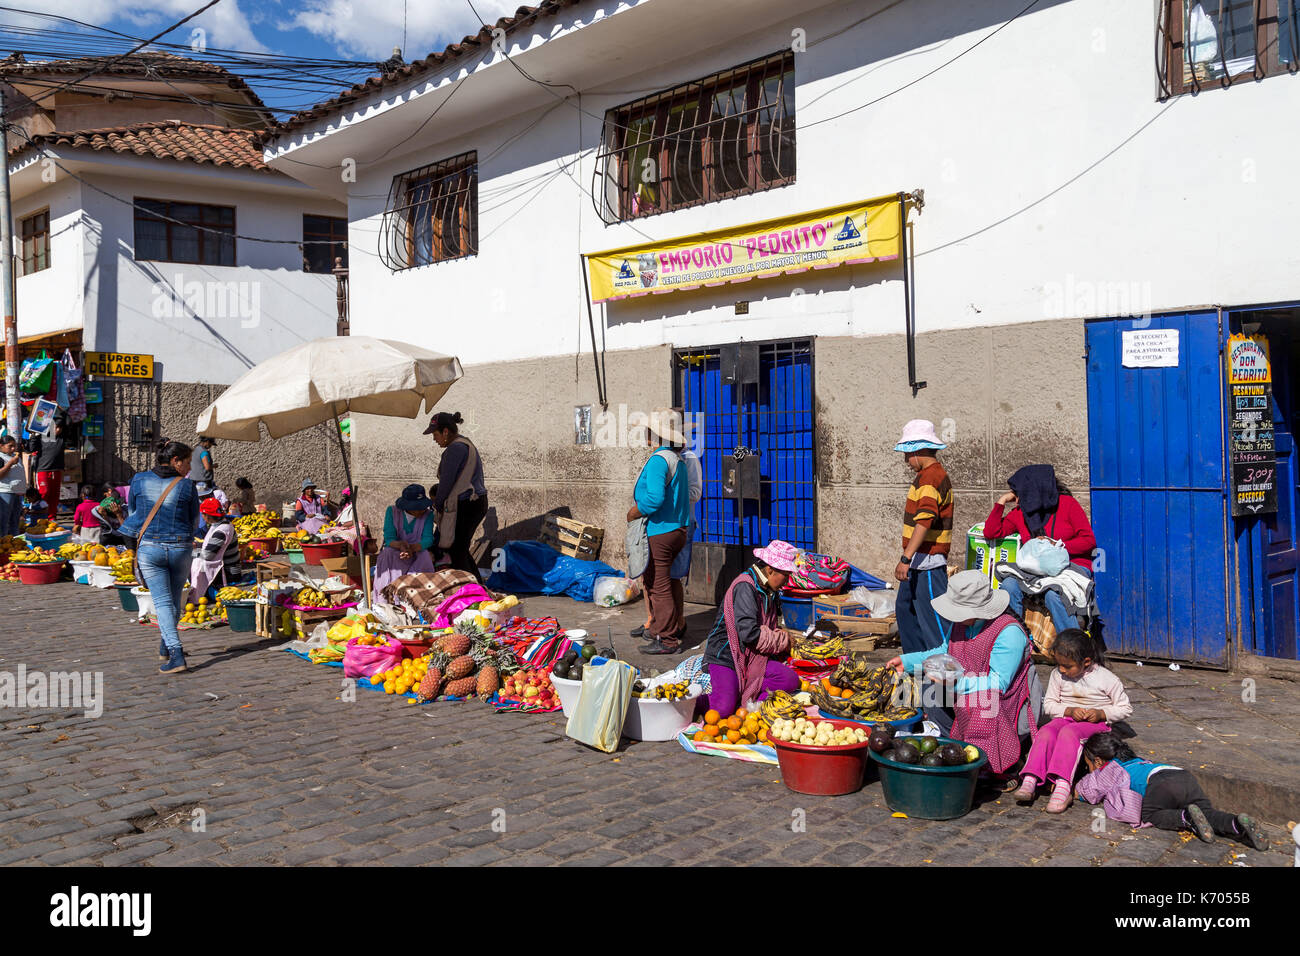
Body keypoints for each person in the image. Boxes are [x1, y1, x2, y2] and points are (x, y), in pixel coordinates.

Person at [888, 570, 1037, 776]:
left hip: (1001, 703)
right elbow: (942, 652)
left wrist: (955, 683)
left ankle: (996, 765)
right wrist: (907, 662)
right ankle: (953, 743)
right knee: (928, 687)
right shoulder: (963, 624)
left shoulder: (1009, 632)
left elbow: (998, 683)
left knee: (981, 700)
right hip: (964, 691)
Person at [1078, 732, 1268, 850]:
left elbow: (1086, 790)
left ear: (1098, 761)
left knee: (1151, 815)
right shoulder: (1139, 761)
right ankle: (1237, 824)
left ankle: (1185, 818)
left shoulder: (1109, 770)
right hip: (1182, 775)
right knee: (1206, 813)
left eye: (1089, 765)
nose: (1091, 770)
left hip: (1159, 784)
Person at [1013, 629, 1131, 812]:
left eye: (1067, 666)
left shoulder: (1107, 679)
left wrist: (1101, 714)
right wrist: (1068, 710)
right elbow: (1049, 705)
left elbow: (1125, 708)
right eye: (1059, 664)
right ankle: (1030, 778)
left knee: (1069, 734)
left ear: (1086, 662)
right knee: (1046, 732)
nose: (1062, 670)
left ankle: (1063, 786)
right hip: (1066, 718)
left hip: (1095, 725)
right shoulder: (1057, 676)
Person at [984, 464, 1097, 632]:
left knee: (1054, 594)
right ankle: (1018, 638)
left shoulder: (1067, 504)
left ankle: (1075, 650)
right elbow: (991, 531)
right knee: (1009, 585)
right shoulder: (1020, 513)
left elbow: (1089, 541)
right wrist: (1001, 501)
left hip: (1070, 566)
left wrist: (1058, 546)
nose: (1018, 496)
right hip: (1036, 570)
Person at [119, 439, 200, 675]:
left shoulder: (139, 479)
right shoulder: (187, 486)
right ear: (175, 461)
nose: (188, 468)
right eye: (187, 463)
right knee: (175, 600)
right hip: (180, 547)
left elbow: (133, 513)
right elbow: (194, 521)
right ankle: (166, 644)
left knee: (164, 602)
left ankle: (175, 652)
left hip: (150, 549)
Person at [700, 541, 799, 717]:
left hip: (754, 657)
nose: (787, 581)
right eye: (786, 575)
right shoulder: (746, 587)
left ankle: (750, 703)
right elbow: (749, 634)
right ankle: (693, 703)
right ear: (770, 569)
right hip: (726, 654)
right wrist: (783, 640)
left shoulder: (770, 590)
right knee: (723, 709)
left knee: (789, 679)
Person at [629, 409, 691, 654]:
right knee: (661, 581)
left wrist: (634, 512)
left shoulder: (659, 460)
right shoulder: (678, 460)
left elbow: (654, 499)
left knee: (659, 585)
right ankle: (661, 630)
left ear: (656, 434)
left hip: (661, 531)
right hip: (677, 529)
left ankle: (666, 640)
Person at [891, 419, 955, 656]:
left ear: (916, 451)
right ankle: (915, 667)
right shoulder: (927, 476)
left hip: (927, 561)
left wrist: (905, 558)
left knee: (934, 623)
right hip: (919, 561)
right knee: (905, 611)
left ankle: (943, 676)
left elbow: (925, 521)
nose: (906, 461)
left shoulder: (931, 478)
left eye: (907, 455)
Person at [634, 438, 702, 641]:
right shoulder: (663, 458)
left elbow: (693, 492)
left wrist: (670, 495)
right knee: (651, 578)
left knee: (667, 580)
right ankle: (654, 622)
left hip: (675, 524)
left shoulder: (684, 459)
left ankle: (671, 629)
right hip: (661, 524)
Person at [425, 411, 488, 582]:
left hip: (467, 505)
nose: (434, 439)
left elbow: (446, 482)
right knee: (460, 548)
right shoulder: (465, 443)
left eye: (435, 434)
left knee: (457, 550)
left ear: (446, 432)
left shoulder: (455, 449)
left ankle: (473, 590)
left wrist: (437, 505)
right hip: (474, 503)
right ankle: (478, 587)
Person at [374, 484, 437, 601]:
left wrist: (412, 548)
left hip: (416, 552)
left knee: (425, 556)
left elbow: (428, 539)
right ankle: (389, 598)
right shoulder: (392, 511)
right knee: (388, 553)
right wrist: (402, 546)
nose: (422, 509)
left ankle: (419, 599)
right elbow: (389, 538)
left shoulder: (428, 515)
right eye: (418, 507)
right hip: (396, 550)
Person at [189, 497, 241, 602]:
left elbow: (208, 555)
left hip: (228, 572)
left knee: (194, 562)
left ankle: (197, 595)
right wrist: (197, 545)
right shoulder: (221, 524)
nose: (202, 517)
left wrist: (189, 553)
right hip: (228, 567)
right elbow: (211, 545)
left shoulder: (221, 531)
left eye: (203, 515)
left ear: (208, 516)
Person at [28, 412, 66, 515]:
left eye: (60, 428)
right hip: (43, 470)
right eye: (56, 427)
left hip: (57, 470)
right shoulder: (40, 436)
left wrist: (57, 409)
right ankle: (39, 515)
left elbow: (68, 420)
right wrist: (35, 436)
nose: (58, 430)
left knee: (55, 495)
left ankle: (51, 517)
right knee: (44, 493)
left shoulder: (61, 438)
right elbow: (31, 448)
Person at [0, 435, 27, 536]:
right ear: (1, 445)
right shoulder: (1, 457)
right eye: (10, 446)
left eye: (14, 446)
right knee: (4, 521)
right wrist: (10, 463)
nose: (13, 448)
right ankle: (2, 543)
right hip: (5, 492)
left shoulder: (14, 456)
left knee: (15, 521)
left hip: (17, 493)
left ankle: (14, 543)